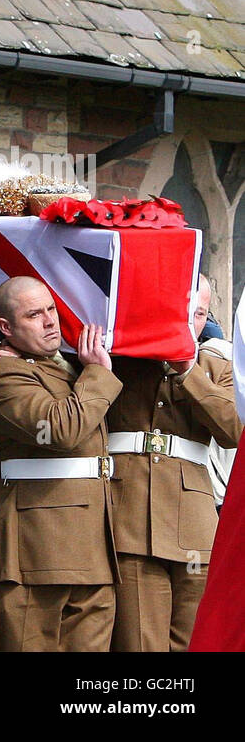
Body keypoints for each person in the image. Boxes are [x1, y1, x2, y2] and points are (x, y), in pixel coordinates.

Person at [0, 276, 121, 651]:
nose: (49, 321)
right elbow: (61, 429)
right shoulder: (6, 375)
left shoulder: (67, 366)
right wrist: (97, 372)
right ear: (6, 328)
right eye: (34, 314)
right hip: (33, 548)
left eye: (51, 310)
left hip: (92, 546)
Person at [104, 274, 239, 650]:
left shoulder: (215, 368)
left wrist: (187, 371)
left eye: (199, 314)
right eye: (183, 312)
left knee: (197, 640)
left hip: (195, 524)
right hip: (130, 519)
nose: (190, 323)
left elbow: (234, 431)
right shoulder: (123, 357)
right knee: (140, 643)